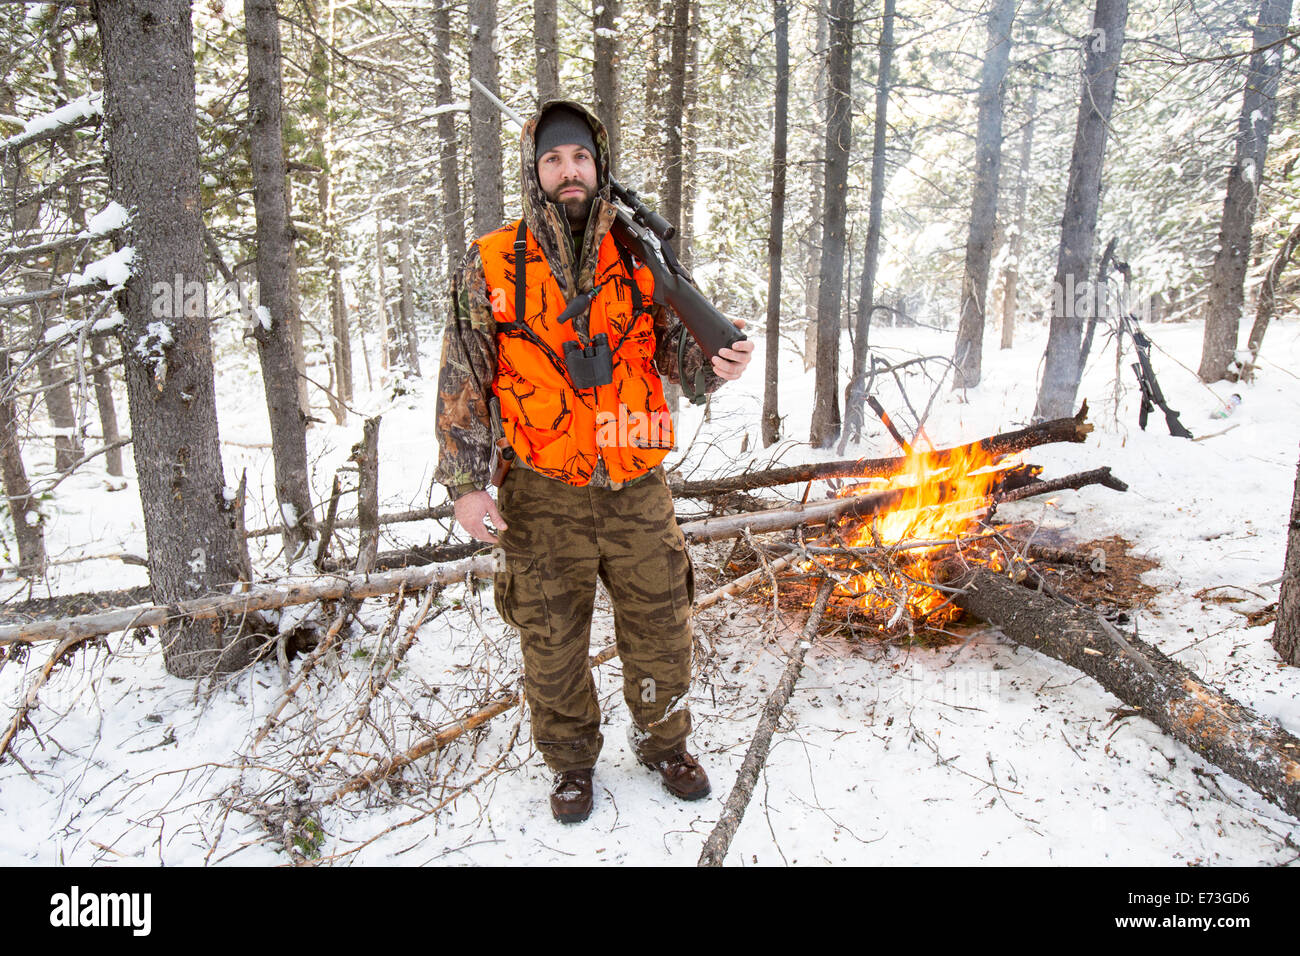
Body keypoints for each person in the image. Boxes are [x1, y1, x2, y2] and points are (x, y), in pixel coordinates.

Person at [434, 100, 753, 824]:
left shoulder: (642, 255)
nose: (568, 171)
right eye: (553, 159)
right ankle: (572, 764)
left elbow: (673, 349)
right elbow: (463, 375)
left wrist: (716, 362)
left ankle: (664, 742)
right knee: (550, 640)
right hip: (541, 488)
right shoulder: (490, 260)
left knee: (662, 625)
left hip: (637, 485)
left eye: (579, 157)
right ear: (534, 170)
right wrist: (465, 483)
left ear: (598, 164)